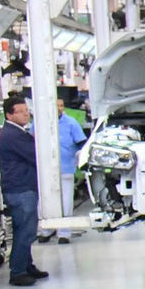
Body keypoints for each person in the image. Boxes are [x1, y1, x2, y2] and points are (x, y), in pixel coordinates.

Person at [0, 92, 45, 287]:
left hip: (22, 187)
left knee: (23, 229)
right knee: (25, 230)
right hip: (20, 189)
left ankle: (27, 266)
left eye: (27, 111)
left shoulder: (17, 132)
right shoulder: (13, 134)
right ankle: (17, 271)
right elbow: (35, 154)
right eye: (21, 112)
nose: (26, 115)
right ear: (9, 115)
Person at [55, 95, 87, 235]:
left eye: (62, 105)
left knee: (66, 202)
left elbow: (81, 143)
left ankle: (64, 233)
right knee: (44, 203)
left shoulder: (71, 123)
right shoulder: (40, 122)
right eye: (57, 105)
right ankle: (45, 231)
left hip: (66, 167)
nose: (59, 108)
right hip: (46, 170)